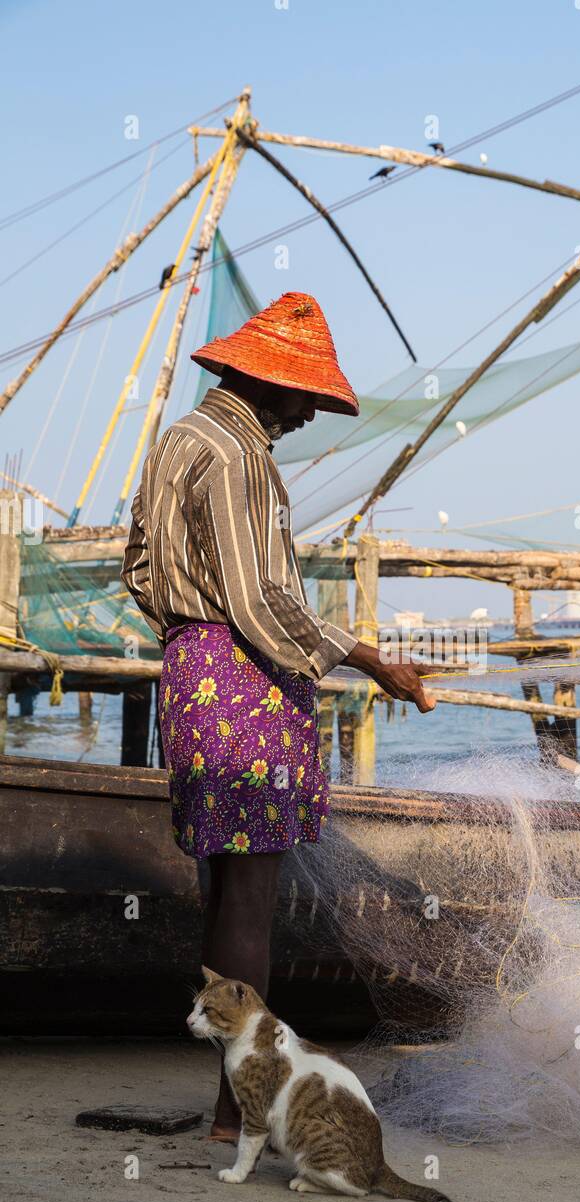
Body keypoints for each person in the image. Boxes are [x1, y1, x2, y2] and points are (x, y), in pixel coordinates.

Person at [121, 292, 435, 1139]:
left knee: (223, 889)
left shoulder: (179, 441)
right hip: (240, 681)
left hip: (193, 670)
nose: (304, 417)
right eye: (301, 398)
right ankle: (239, 1109)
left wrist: (194, 638)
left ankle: (230, 1105)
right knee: (252, 900)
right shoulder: (235, 456)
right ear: (265, 382)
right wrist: (371, 658)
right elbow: (260, 599)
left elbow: (141, 568)